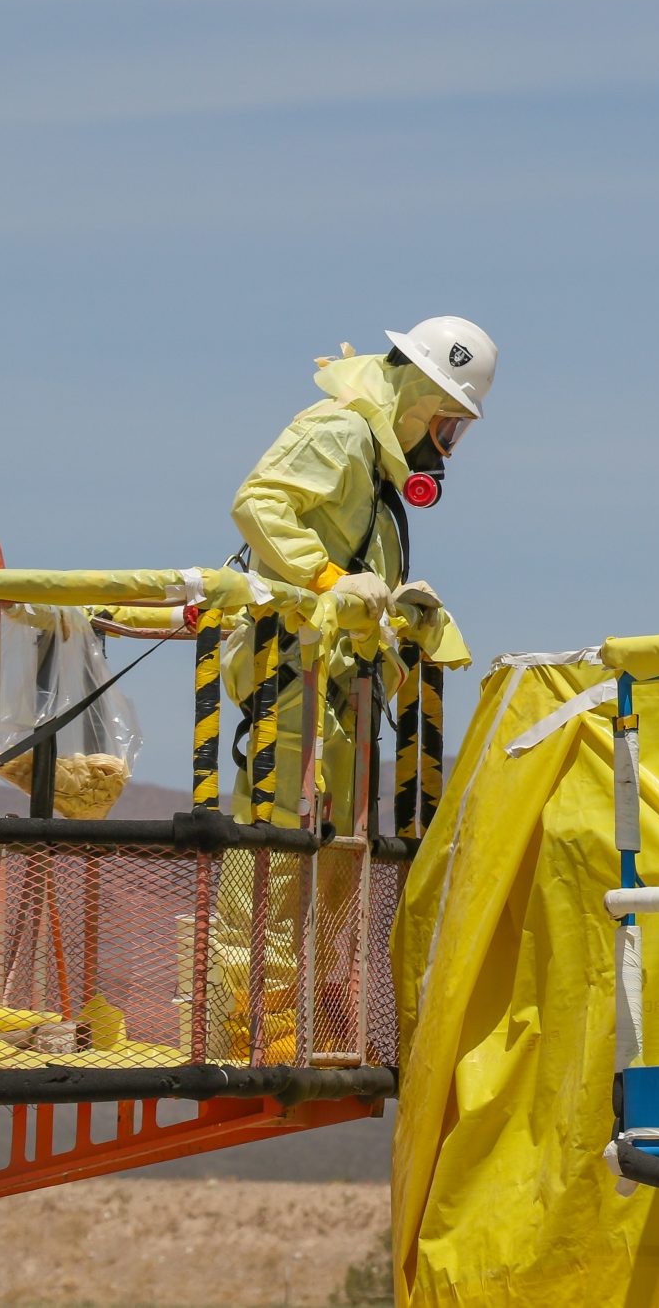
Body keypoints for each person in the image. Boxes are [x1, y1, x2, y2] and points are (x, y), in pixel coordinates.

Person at [209, 316, 495, 1061]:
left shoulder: (372, 464)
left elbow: (363, 572)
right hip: (294, 670)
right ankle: (248, 1017)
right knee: (272, 844)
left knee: (333, 858)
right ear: (415, 396)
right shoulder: (337, 434)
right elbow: (260, 503)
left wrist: (401, 612)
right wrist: (332, 581)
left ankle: (303, 1008)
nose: (444, 445)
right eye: (446, 424)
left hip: (339, 685)